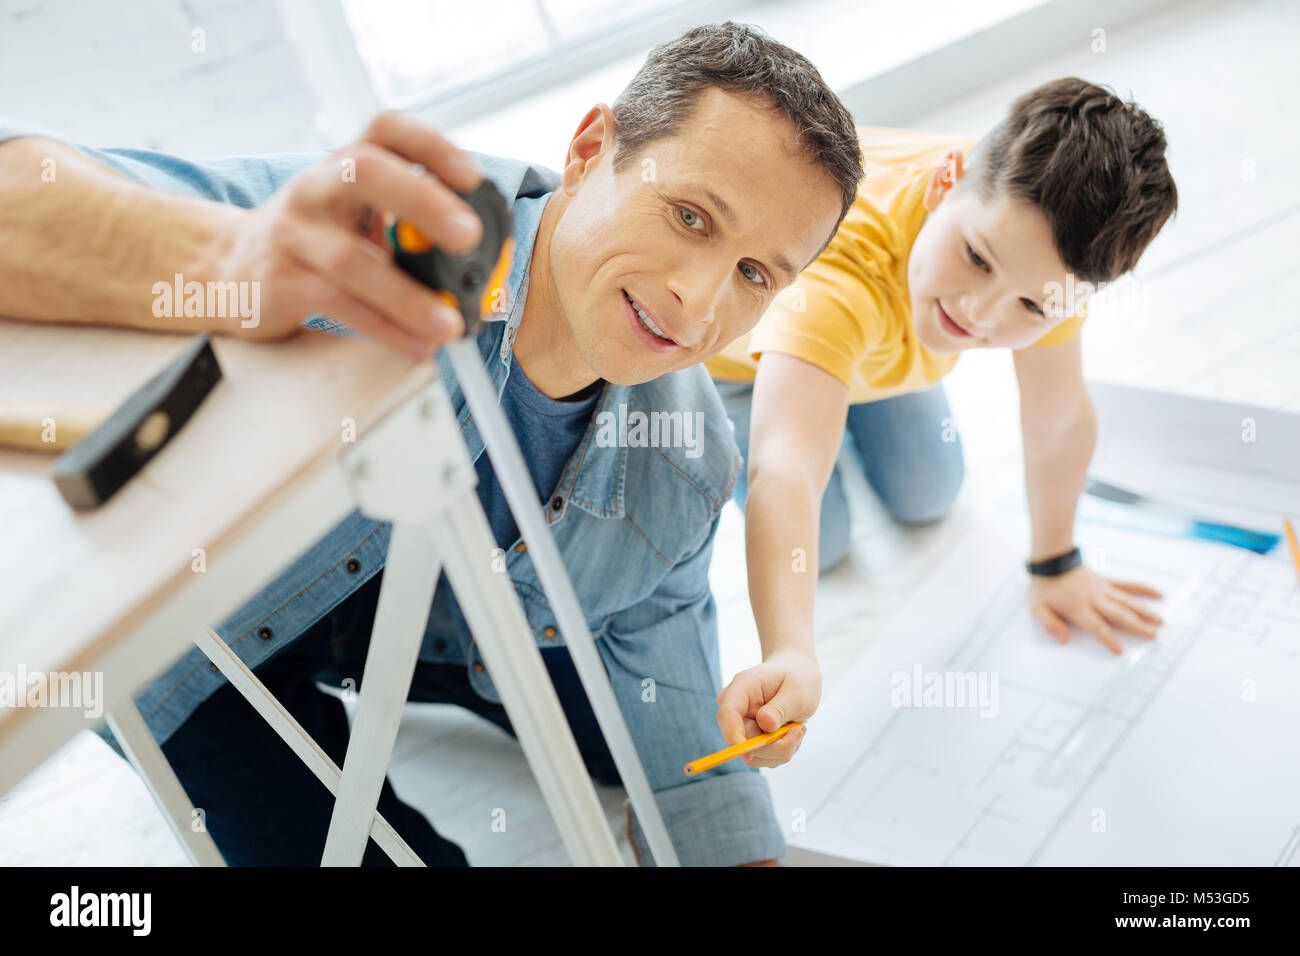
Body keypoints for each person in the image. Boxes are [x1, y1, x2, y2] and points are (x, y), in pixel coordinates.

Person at [0, 21, 864, 866]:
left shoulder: (685, 458)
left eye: (756, 275)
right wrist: (227, 259)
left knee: (636, 753)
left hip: (439, 626)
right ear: (591, 149)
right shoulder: (373, 243)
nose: (699, 301)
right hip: (213, 655)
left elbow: (673, 690)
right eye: (690, 217)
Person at [706, 78, 1179, 766]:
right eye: (978, 259)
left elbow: (1059, 418)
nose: (982, 316)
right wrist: (790, 649)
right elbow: (787, 465)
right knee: (827, 540)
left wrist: (1056, 561)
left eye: (1032, 308)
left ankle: (854, 390)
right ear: (945, 183)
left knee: (931, 491)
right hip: (748, 370)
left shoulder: (1050, 252)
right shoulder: (843, 276)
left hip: (891, 334)